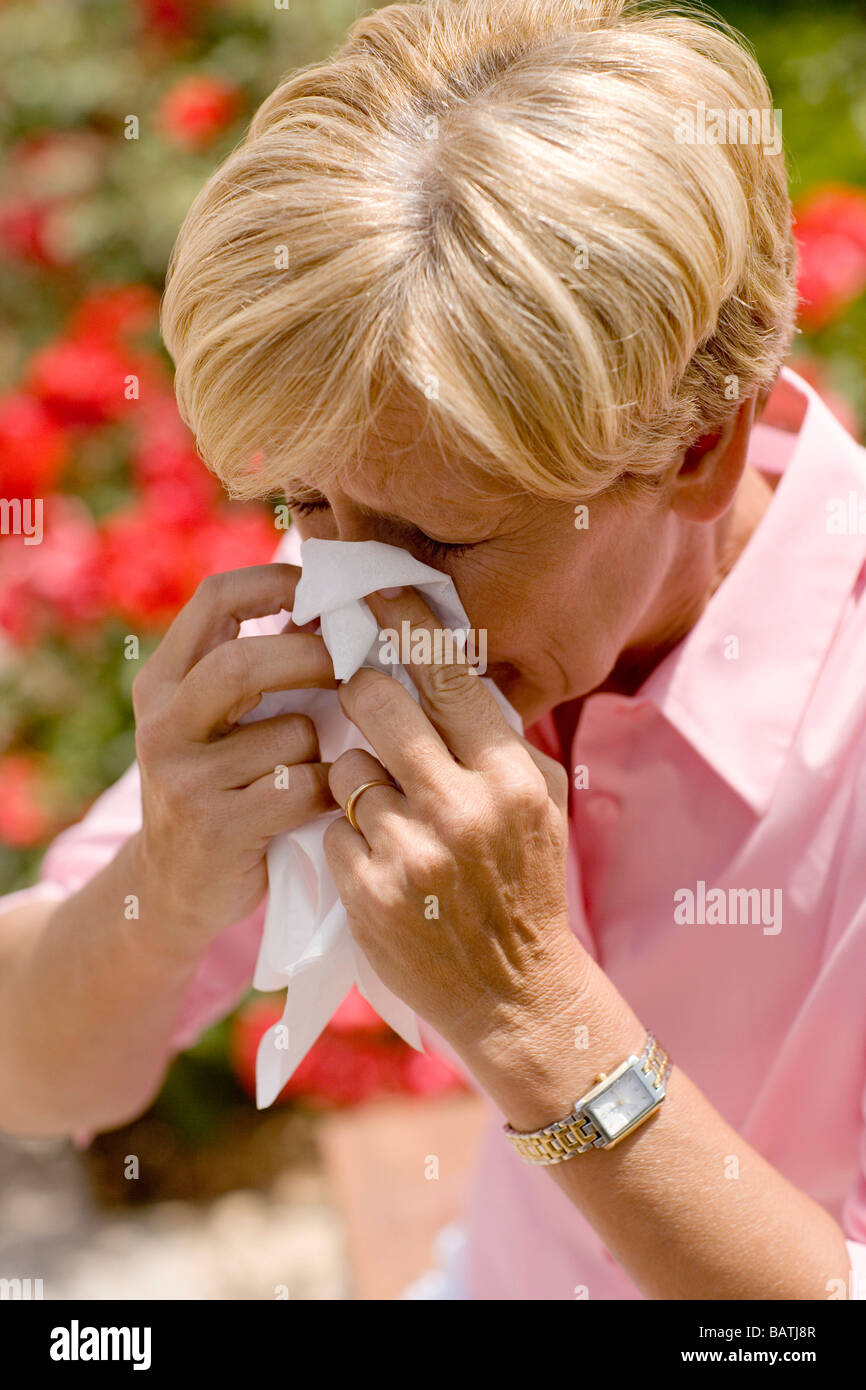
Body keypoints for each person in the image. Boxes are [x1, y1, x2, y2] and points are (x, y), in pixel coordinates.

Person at [1, 0, 865, 1301]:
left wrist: (532, 1021)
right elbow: (37, 1072)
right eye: (304, 504)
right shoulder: (381, 542)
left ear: (697, 448)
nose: (354, 584)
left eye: (440, 539)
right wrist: (169, 880)